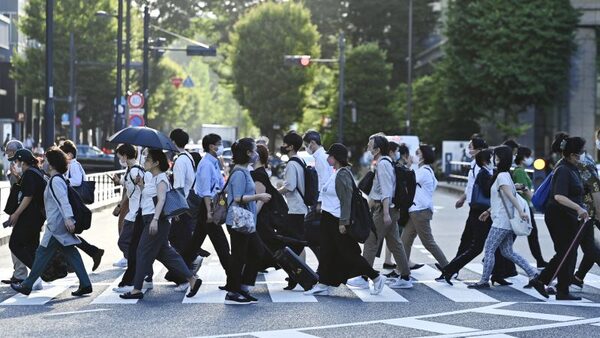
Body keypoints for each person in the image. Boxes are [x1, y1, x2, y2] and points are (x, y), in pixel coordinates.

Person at [120, 149, 202, 300]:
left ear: (156, 163)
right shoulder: (152, 177)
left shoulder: (162, 178)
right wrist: (141, 185)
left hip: (156, 220)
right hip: (149, 218)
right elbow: (149, 197)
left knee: (142, 251)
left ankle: (136, 289)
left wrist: (155, 220)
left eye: (148, 159)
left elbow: (162, 200)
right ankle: (192, 280)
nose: (144, 161)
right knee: (166, 253)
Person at [305, 143, 386, 296]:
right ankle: (323, 283)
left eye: (330, 155)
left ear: (335, 158)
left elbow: (346, 200)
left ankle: (376, 277)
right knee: (327, 252)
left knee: (350, 254)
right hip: (328, 219)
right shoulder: (337, 173)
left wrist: (343, 222)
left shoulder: (342, 174)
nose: (328, 157)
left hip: (337, 220)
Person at [10, 147, 92, 297]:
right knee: (70, 252)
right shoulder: (55, 178)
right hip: (58, 224)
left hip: (57, 225)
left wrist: (68, 218)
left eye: (46, 160)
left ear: (52, 164)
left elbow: (63, 201)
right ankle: (85, 283)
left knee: (42, 253)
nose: (44, 162)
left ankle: (27, 285)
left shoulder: (55, 181)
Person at [467, 146, 545, 296]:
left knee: (489, 249)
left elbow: (510, 196)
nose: (493, 160)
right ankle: (533, 273)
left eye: (496, 157)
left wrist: (521, 211)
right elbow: (501, 198)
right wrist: (488, 211)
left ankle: (483, 281)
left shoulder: (502, 176)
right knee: (507, 251)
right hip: (504, 220)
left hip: (501, 222)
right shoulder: (506, 175)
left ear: (500, 159)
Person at [532, 136, 594, 300]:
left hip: (568, 216)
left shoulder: (572, 168)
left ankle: (561, 289)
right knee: (565, 252)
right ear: (572, 154)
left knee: (568, 252)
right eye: (579, 153)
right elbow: (559, 196)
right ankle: (543, 281)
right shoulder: (563, 169)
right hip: (558, 216)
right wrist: (579, 208)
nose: (581, 156)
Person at [348, 134, 412, 289]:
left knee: (371, 241)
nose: (368, 147)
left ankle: (364, 277)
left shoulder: (383, 164)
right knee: (395, 243)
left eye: (370, 145)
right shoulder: (386, 162)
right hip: (388, 208)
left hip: (385, 209)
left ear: (377, 148)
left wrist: (385, 213)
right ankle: (405, 277)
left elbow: (386, 191)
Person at [439, 150, 512, 285]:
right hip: (480, 214)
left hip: (482, 213)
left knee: (495, 244)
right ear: (485, 161)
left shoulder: (486, 173)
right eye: (491, 158)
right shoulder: (484, 174)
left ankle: (497, 274)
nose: (493, 160)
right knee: (477, 247)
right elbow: (488, 191)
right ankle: (449, 269)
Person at [452, 136, 515, 279]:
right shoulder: (480, 168)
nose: (469, 149)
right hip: (481, 208)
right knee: (479, 243)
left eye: (471, 146)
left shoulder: (484, 168)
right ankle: (453, 268)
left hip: (482, 208)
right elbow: (477, 187)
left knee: (484, 243)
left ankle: (453, 268)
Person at [224, 138, 271, 305]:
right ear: (248, 153)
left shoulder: (244, 170)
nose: (257, 154)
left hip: (245, 221)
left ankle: (242, 287)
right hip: (237, 221)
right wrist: (259, 196)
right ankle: (232, 292)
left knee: (256, 252)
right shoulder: (239, 173)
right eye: (254, 151)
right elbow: (237, 198)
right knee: (239, 256)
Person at [179, 133, 230, 283]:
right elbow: (206, 191)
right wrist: (209, 211)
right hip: (207, 206)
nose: (221, 147)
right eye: (219, 144)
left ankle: (176, 273)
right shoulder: (206, 164)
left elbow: (220, 185)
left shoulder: (214, 162)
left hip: (210, 205)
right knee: (222, 245)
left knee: (194, 245)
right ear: (211, 146)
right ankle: (234, 281)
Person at [111, 144, 154, 293]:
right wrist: (119, 182)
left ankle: (139, 273)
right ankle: (142, 272)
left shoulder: (136, 170)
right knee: (131, 245)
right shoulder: (130, 170)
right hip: (132, 213)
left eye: (119, 156)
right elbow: (129, 188)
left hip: (136, 214)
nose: (119, 159)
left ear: (125, 156)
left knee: (125, 243)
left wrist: (140, 185)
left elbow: (143, 190)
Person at [400, 145, 449, 272]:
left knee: (428, 242)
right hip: (417, 210)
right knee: (405, 240)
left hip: (420, 211)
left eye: (417, 153)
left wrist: (408, 165)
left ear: (423, 156)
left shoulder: (423, 172)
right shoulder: (427, 171)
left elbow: (407, 179)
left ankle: (448, 268)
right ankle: (401, 270)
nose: (413, 155)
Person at [60, 141, 104, 271]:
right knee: (66, 234)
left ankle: (73, 262)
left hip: (75, 204)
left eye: (62, 153)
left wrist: (64, 181)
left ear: (69, 154)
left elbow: (78, 181)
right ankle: (92, 253)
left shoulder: (74, 165)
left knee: (65, 233)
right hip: (73, 203)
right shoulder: (70, 165)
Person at [6, 149, 46, 291]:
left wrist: (16, 214)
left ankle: (37, 276)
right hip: (37, 218)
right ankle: (35, 280)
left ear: (23, 161)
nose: (15, 164)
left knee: (15, 244)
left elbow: (28, 196)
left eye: (16, 161)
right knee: (31, 247)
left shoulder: (29, 174)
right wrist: (17, 178)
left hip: (29, 217)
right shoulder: (36, 171)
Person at [163, 129, 198, 291]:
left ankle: (185, 276)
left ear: (174, 142)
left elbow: (178, 186)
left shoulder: (180, 160)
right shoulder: (188, 157)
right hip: (187, 204)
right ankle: (186, 271)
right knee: (180, 239)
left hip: (181, 206)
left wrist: (175, 211)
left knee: (177, 241)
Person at [278, 131, 310, 290]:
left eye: (285, 144)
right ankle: (299, 275)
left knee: (293, 245)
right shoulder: (300, 161)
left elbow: (289, 186)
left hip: (294, 208)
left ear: (290, 147)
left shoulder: (291, 164)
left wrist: (275, 192)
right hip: (300, 207)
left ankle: (297, 275)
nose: (283, 146)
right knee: (298, 243)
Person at [573, 129, 600, 289]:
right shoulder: (586, 164)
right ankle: (578, 277)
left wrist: (598, 212)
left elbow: (596, 190)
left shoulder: (586, 165)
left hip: (589, 210)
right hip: (587, 210)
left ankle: (577, 277)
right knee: (589, 245)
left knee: (589, 246)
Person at [513, 146, 547, 268]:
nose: (530, 159)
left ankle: (540, 260)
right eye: (529, 156)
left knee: (515, 235)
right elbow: (523, 189)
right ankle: (540, 260)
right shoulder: (520, 172)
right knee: (531, 235)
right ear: (523, 158)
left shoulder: (518, 170)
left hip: (523, 207)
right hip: (524, 207)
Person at [0, 140, 29, 286]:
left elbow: (26, 189)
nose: (7, 154)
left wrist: (17, 213)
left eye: (9, 151)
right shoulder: (15, 164)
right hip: (19, 209)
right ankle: (19, 272)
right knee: (19, 243)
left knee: (17, 243)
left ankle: (22, 274)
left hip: (22, 210)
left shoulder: (21, 164)